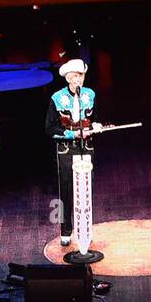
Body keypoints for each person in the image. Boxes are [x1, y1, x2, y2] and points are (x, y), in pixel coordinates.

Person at [45, 58, 102, 247]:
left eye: (82, 75)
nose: (80, 79)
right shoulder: (57, 98)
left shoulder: (90, 94)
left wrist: (96, 126)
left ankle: (85, 228)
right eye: (76, 76)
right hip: (66, 150)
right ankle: (65, 230)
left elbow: (95, 118)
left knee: (86, 189)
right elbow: (50, 129)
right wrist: (71, 133)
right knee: (65, 191)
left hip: (86, 148)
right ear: (69, 78)